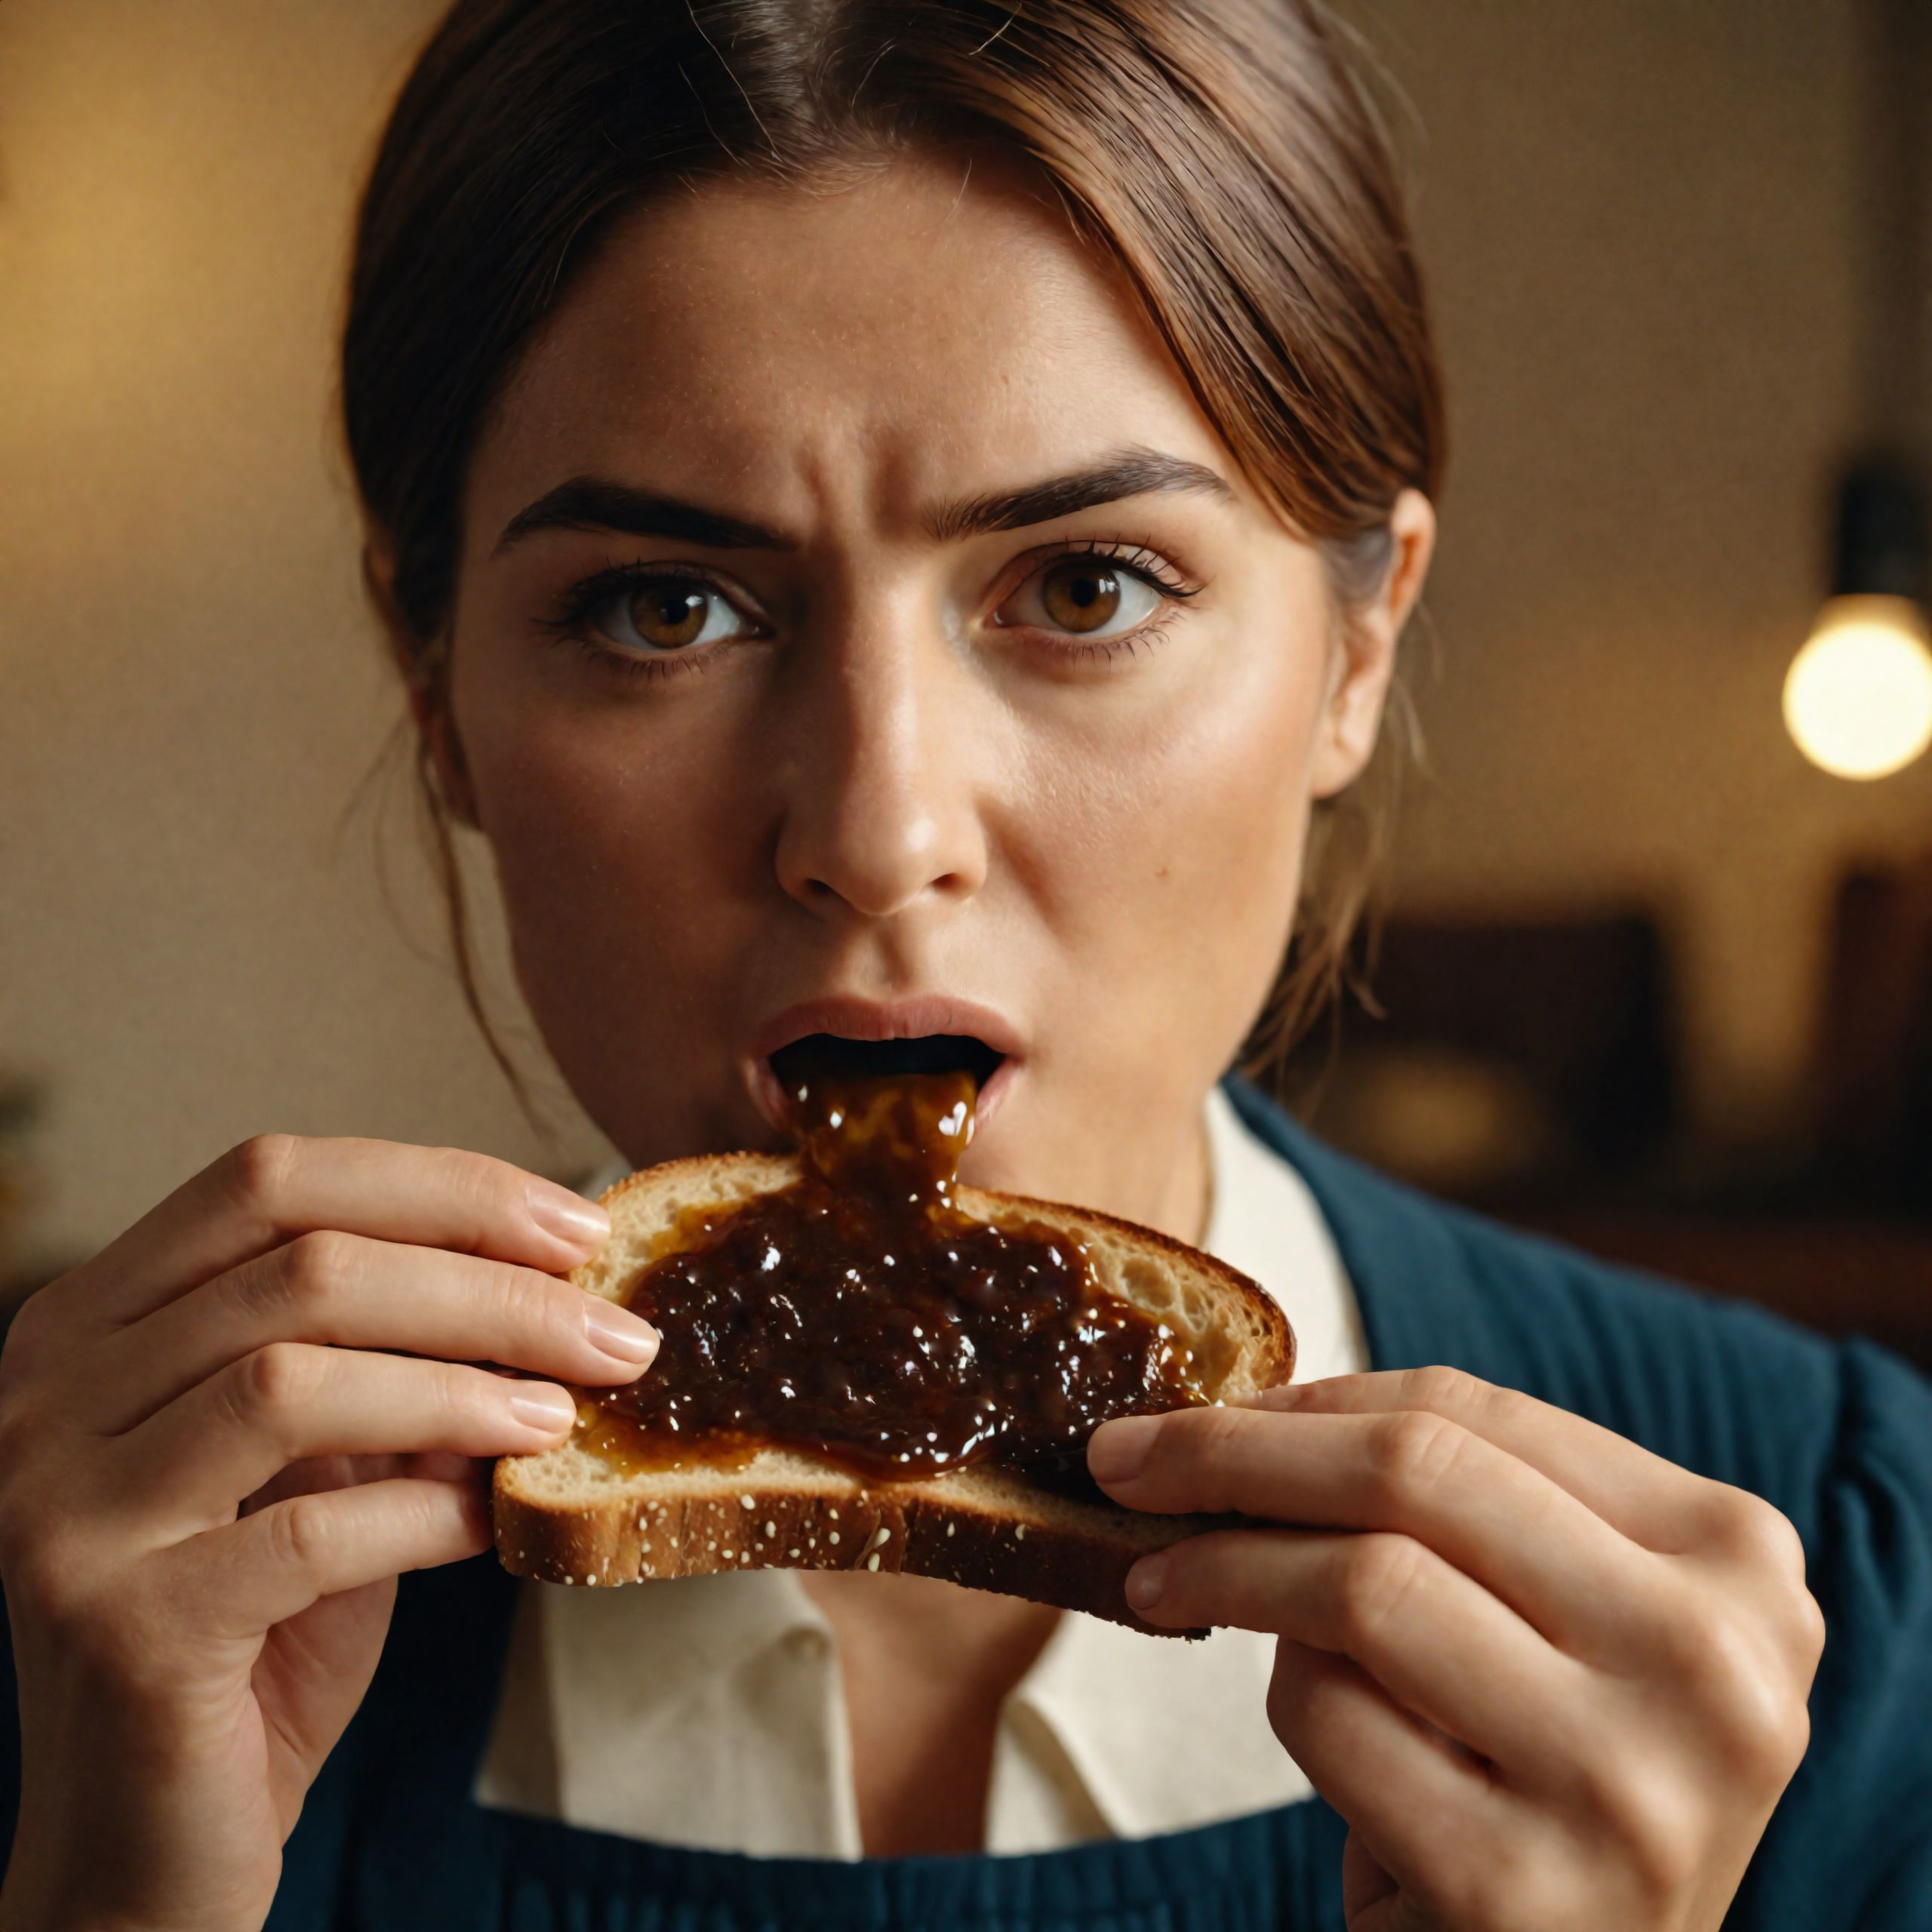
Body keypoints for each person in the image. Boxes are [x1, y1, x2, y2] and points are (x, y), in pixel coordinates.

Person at [1, 2, 1927, 1927]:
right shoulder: (100, 1642)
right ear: (439, 699)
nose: (873, 820)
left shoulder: (1850, 1578)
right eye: (663, 607)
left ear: (1356, 651)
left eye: (1084, 585)